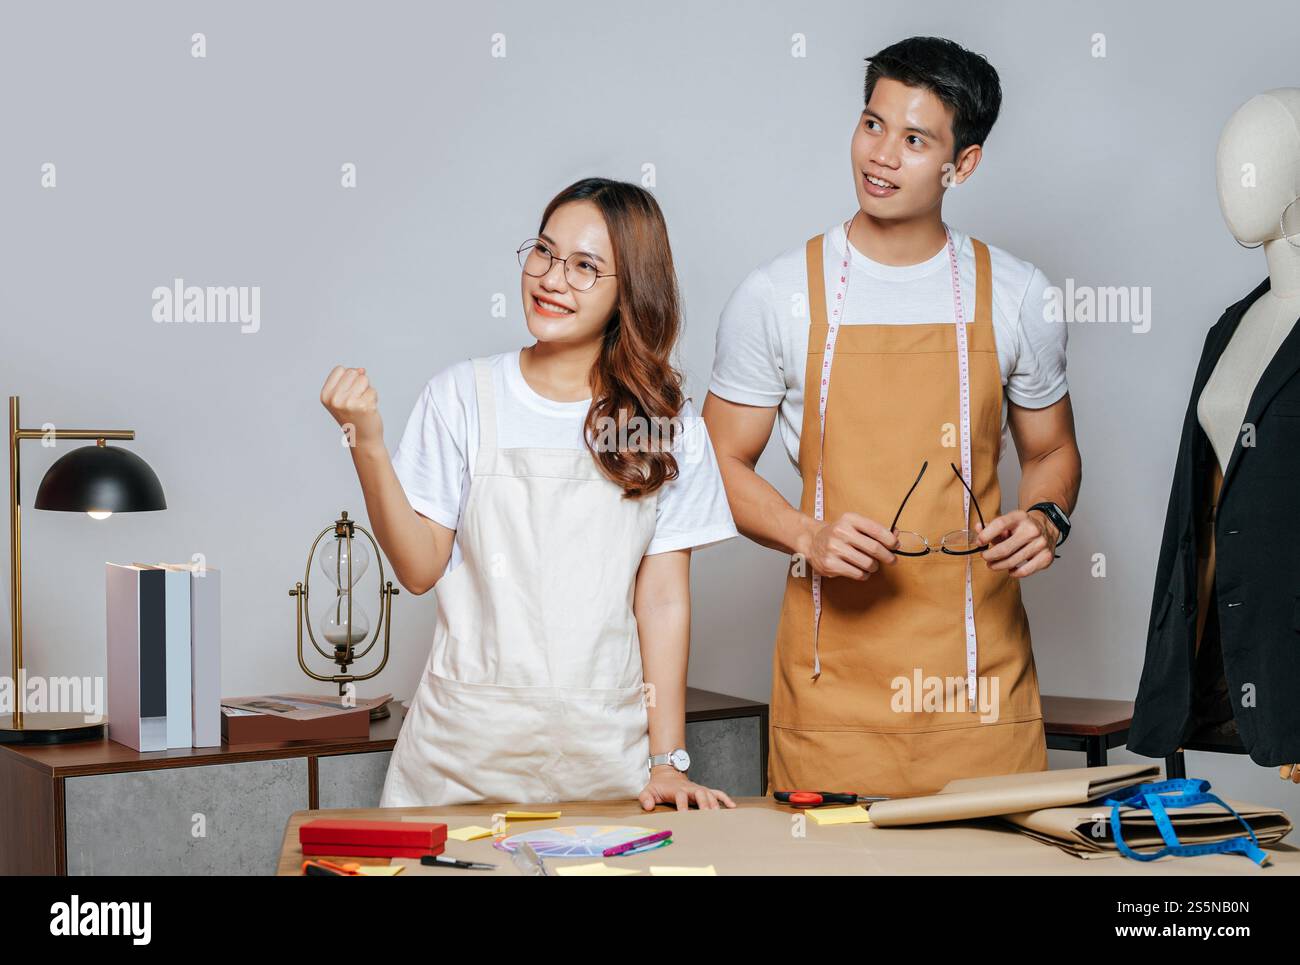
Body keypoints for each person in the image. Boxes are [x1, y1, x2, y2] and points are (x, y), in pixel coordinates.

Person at [703, 37, 1082, 798]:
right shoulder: (777, 294)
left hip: (981, 684)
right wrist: (806, 533)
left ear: (962, 163)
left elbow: (1054, 450)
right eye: (872, 125)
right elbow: (716, 463)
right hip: (833, 687)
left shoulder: (1018, 294)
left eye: (914, 139)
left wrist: (1046, 518)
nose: (881, 155)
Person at [321, 177, 739, 811]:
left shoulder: (667, 426)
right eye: (544, 252)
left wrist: (667, 762)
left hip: (607, 760)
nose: (551, 278)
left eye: (585, 267)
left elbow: (661, 603)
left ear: (631, 293)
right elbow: (417, 567)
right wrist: (367, 443)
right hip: (460, 758)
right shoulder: (462, 395)